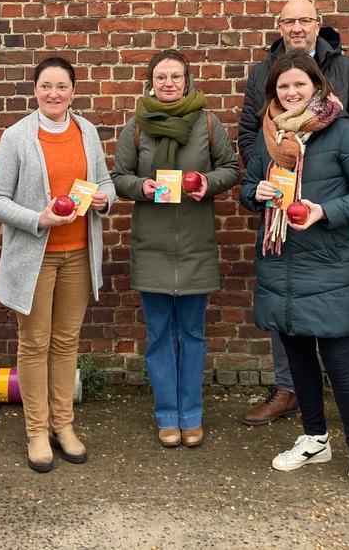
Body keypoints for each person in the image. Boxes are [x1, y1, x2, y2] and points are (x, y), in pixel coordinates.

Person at [237, 0, 349, 443]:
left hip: (324, 221)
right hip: (279, 222)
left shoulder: (348, 70)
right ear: (279, 26)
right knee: (285, 308)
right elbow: (250, 130)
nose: (298, 27)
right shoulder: (261, 73)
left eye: (306, 20)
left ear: (318, 26)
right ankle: (288, 391)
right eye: (290, 20)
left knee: (336, 320)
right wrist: (269, 172)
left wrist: (327, 173)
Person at [0, 57, 116, 473]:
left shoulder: (88, 131)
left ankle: (64, 425)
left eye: (62, 86)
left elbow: (106, 182)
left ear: (73, 91)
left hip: (78, 253)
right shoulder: (16, 137)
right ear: (35, 90)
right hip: (35, 258)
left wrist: (104, 199)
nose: (54, 94)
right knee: (34, 343)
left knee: (66, 343)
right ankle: (37, 431)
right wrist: (38, 218)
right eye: (46, 86)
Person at [111, 50, 241, 448]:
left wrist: (207, 182)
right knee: (159, 335)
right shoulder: (136, 126)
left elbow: (231, 169)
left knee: (193, 334)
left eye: (176, 77)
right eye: (161, 77)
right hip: (152, 243)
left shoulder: (207, 122)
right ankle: (167, 415)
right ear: (150, 82)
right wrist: (141, 187)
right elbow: (118, 177)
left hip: (196, 244)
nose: (168, 83)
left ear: (188, 81)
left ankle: (192, 414)